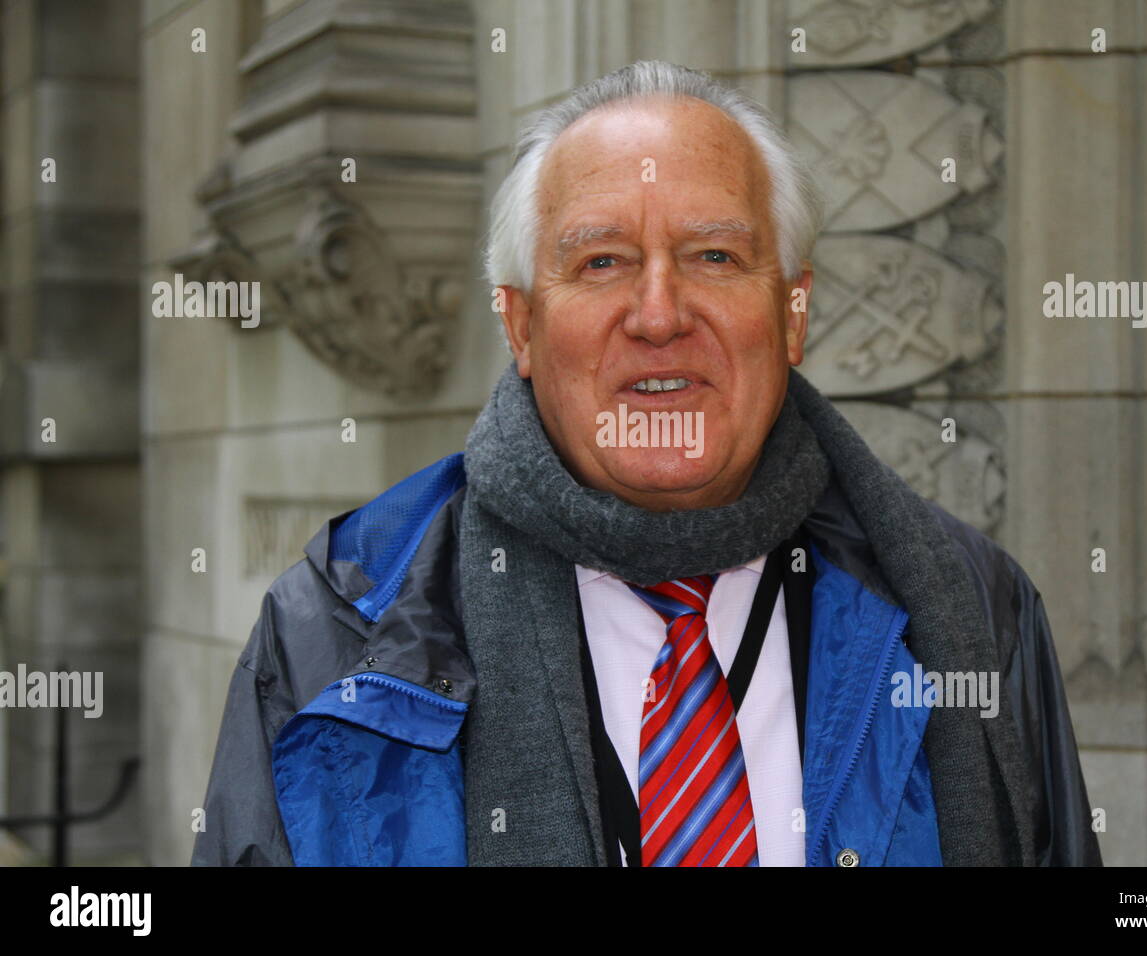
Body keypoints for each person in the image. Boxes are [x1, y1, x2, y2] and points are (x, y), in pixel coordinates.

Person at [192, 60, 1101, 867]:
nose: (660, 314)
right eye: (600, 262)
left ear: (792, 313)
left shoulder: (972, 609)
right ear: (520, 325)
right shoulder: (337, 625)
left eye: (714, 255)